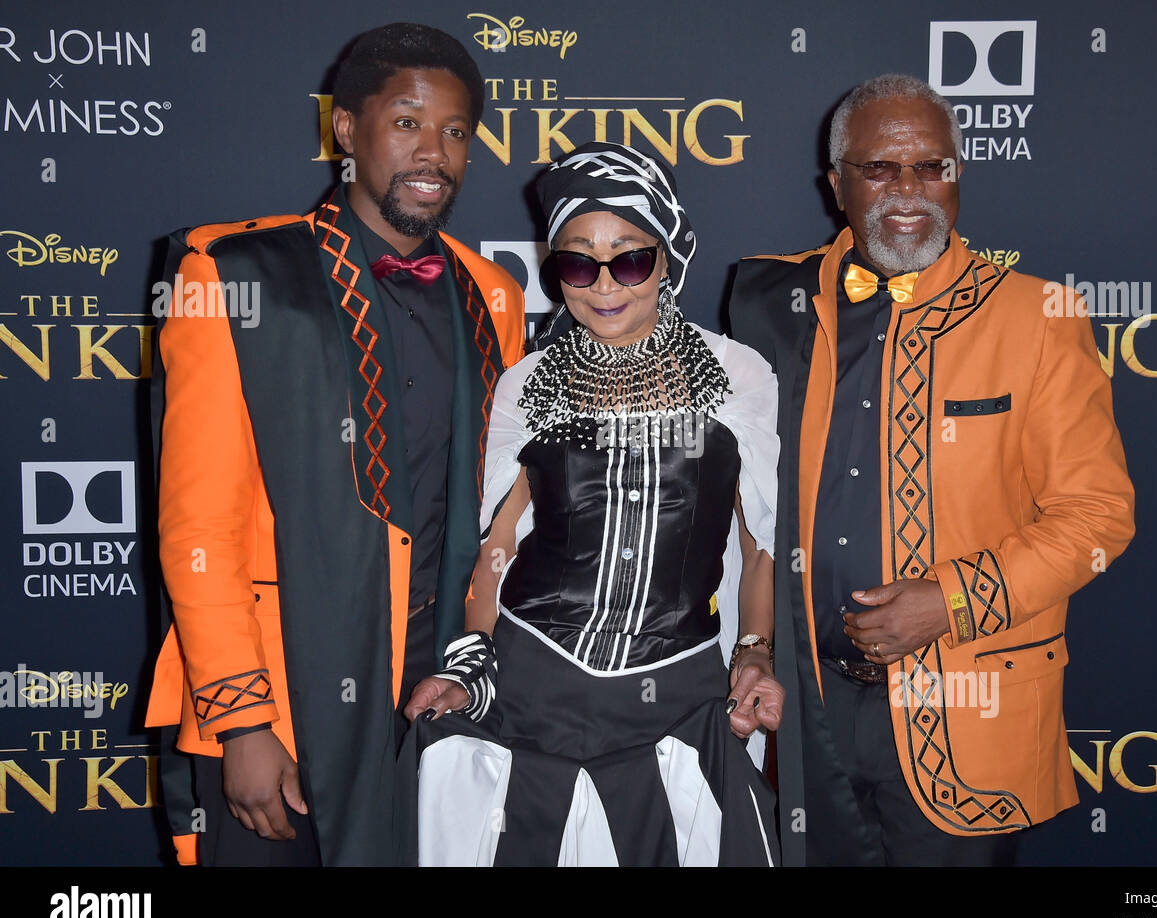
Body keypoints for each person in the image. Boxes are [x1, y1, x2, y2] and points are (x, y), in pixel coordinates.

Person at [728, 74, 1135, 866]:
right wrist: (754, 641)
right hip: (806, 712)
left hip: (965, 712)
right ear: (836, 184)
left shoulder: (1038, 318)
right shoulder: (770, 303)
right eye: (880, 169)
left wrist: (952, 600)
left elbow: (1098, 516)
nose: (908, 191)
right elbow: (754, 503)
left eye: (931, 167)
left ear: (957, 174)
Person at [143, 23, 525, 866]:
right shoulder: (235, 274)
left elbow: (492, 509)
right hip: (281, 707)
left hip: (434, 702)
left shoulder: (493, 295)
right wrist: (241, 720)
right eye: (407, 123)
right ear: (347, 130)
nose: (433, 154)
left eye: (455, 131)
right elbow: (198, 523)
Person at [400, 142, 784, 866]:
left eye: (629, 260)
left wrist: (755, 652)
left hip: (680, 694)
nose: (604, 285)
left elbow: (756, 540)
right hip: (534, 686)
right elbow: (497, 544)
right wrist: (470, 664)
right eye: (577, 264)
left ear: (667, 259)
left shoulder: (738, 375)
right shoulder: (528, 382)